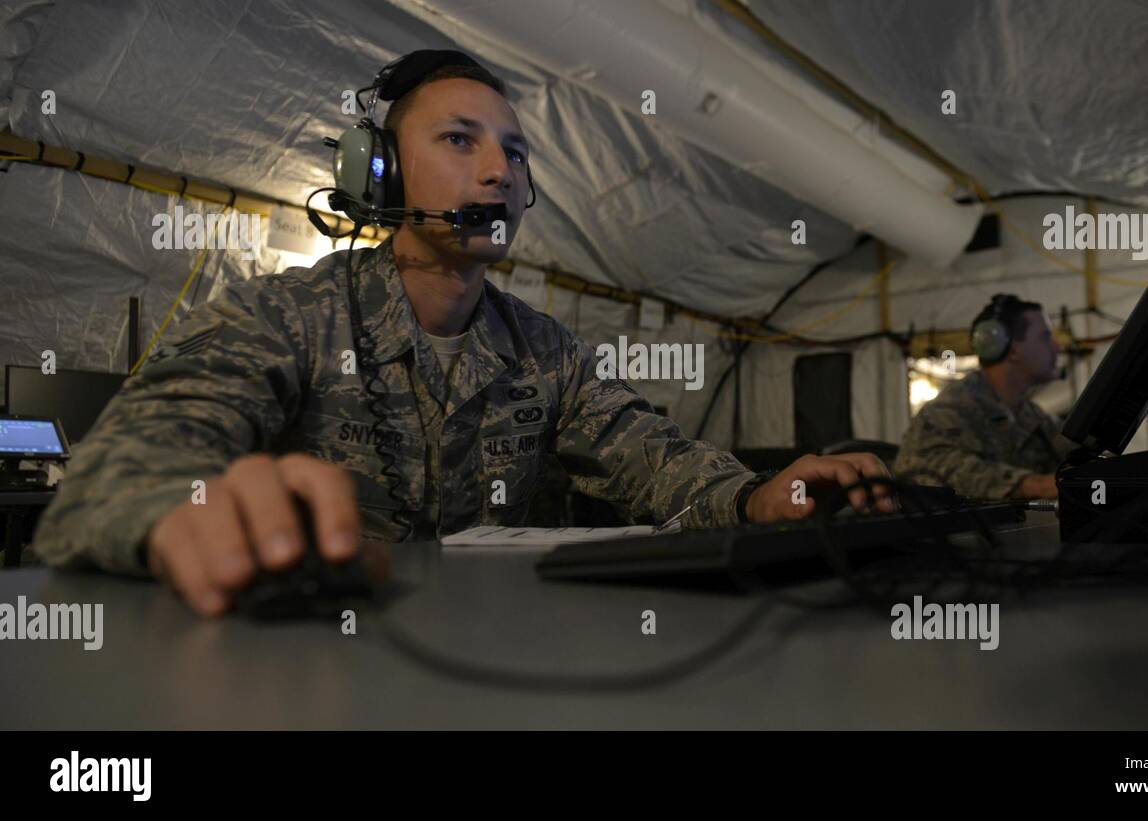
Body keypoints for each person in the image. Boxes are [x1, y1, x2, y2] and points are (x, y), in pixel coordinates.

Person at [32, 50, 894, 616]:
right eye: (459, 140)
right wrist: (180, 509)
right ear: (379, 172)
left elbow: (653, 458)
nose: (498, 171)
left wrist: (761, 497)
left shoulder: (547, 351)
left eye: (515, 153)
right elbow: (114, 473)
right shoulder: (287, 315)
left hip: (486, 666)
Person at [893, 293, 1072, 500]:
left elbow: (1070, 452)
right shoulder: (947, 412)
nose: (1057, 347)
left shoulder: (1031, 415)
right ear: (1012, 349)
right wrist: (1033, 486)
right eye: (1045, 337)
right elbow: (923, 470)